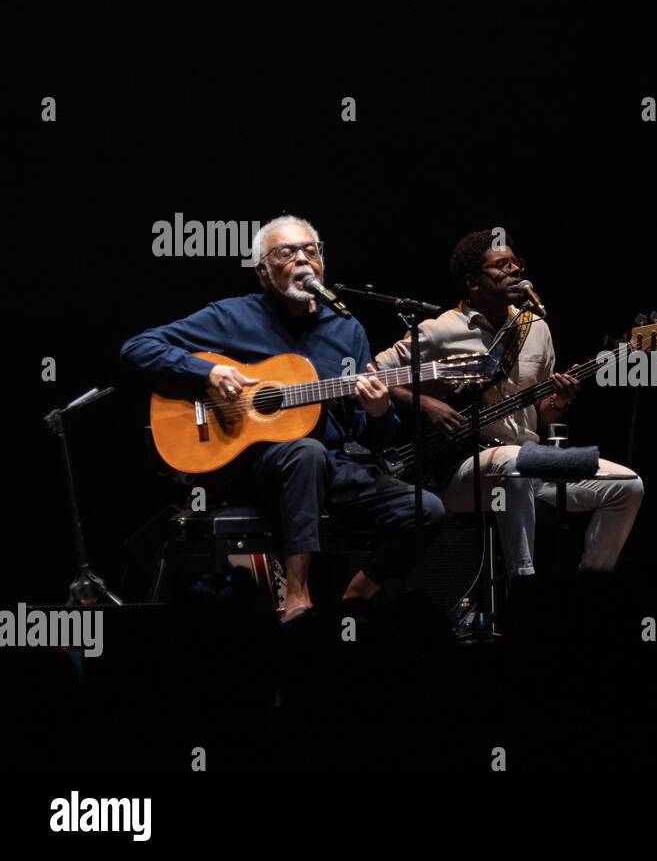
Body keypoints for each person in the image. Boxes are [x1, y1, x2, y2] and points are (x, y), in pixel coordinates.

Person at [121, 214, 445, 621]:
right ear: (262, 271)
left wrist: (378, 412)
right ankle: (297, 597)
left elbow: (376, 440)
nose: (302, 261)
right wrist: (207, 371)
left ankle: (356, 595)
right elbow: (137, 347)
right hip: (254, 470)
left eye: (311, 251)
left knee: (426, 508)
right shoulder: (232, 317)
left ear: (323, 264)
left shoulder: (347, 330)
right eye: (286, 253)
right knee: (304, 452)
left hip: (332, 469)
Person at [375, 229, 644, 580]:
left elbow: (543, 413)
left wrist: (560, 400)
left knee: (628, 485)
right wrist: (426, 403)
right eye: (501, 265)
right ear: (473, 282)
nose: (515, 270)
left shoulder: (537, 329)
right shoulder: (440, 330)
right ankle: (524, 584)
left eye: (517, 262)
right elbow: (374, 375)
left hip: (529, 461)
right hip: (458, 470)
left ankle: (591, 584)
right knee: (513, 463)